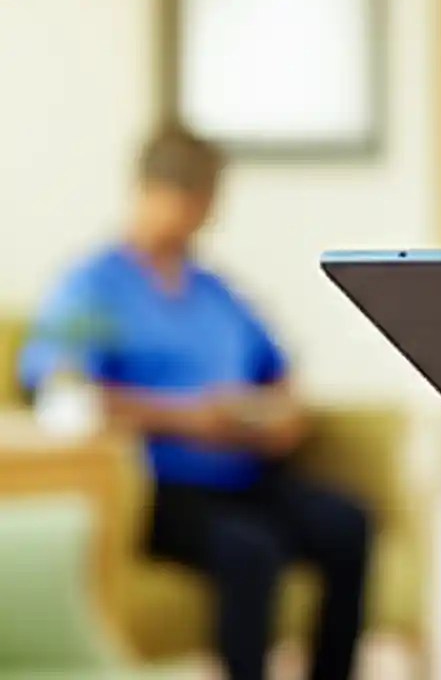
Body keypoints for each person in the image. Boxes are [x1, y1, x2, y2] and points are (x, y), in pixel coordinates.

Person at [19, 125, 369, 680]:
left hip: (244, 473)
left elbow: (277, 371)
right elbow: (61, 394)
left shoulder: (213, 291)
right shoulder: (91, 288)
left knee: (346, 525)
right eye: (187, 198)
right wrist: (188, 419)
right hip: (158, 487)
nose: (197, 216)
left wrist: (280, 416)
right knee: (251, 550)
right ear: (148, 191)